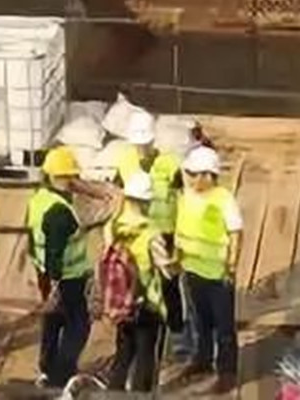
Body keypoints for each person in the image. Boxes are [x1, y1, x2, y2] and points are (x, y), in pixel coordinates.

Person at [114, 109, 188, 357]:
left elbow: (181, 196)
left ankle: (177, 332)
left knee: (169, 284)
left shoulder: (169, 164)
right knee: (133, 284)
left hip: (165, 233)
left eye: (145, 144)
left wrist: (181, 236)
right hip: (136, 234)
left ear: (153, 141)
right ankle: (132, 335)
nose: (141, 150)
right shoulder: (125, 163)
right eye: (138, 144)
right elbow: (117, 197)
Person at [176, 144, 243, 390]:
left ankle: (227, 372)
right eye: (190, 174)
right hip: (192, 270)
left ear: (208, 175)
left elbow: (236, 233)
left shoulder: (223, 200)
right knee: (200, 322)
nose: (191, 179)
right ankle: (202, 359)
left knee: (224, 326)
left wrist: (231, 267)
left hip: (217, 275)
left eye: (195, 174)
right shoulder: (186, 195)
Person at [105, 171, 177, 394]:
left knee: (123, 353)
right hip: (147, 303)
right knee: (146, 356)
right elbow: (166, 271)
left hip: (121, 302)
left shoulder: (112, 227)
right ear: (147, 201)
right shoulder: (151, 234)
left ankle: (113, 394)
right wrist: (179, 261)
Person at [28, 145, 91, 387]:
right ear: (55, 177)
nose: (72, 181)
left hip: (46, 273)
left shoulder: (39, 199)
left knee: (53, 321)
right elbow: (55, 249)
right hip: (67, 277)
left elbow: (32, 238)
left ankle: (47, 367)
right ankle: (62, 373)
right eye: (68, 176)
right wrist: (55, 283)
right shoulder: (59, 212)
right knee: (78, 325)